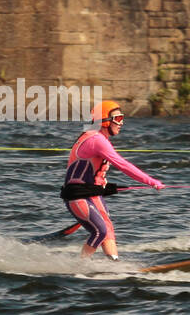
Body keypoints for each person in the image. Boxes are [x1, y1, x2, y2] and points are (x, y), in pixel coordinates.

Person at [61, 100, 164, 260]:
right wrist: (151, 181)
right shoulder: (97, 140)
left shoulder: (98, 137)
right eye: (118, 118)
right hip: (78, 197)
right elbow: (123, 165)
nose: (121, 123)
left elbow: (93, 174)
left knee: (107, 228)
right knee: (99, 231)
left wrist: (104, 185)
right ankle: (80, 265)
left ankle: (114, 263)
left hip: (92, 194)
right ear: (104, 121)